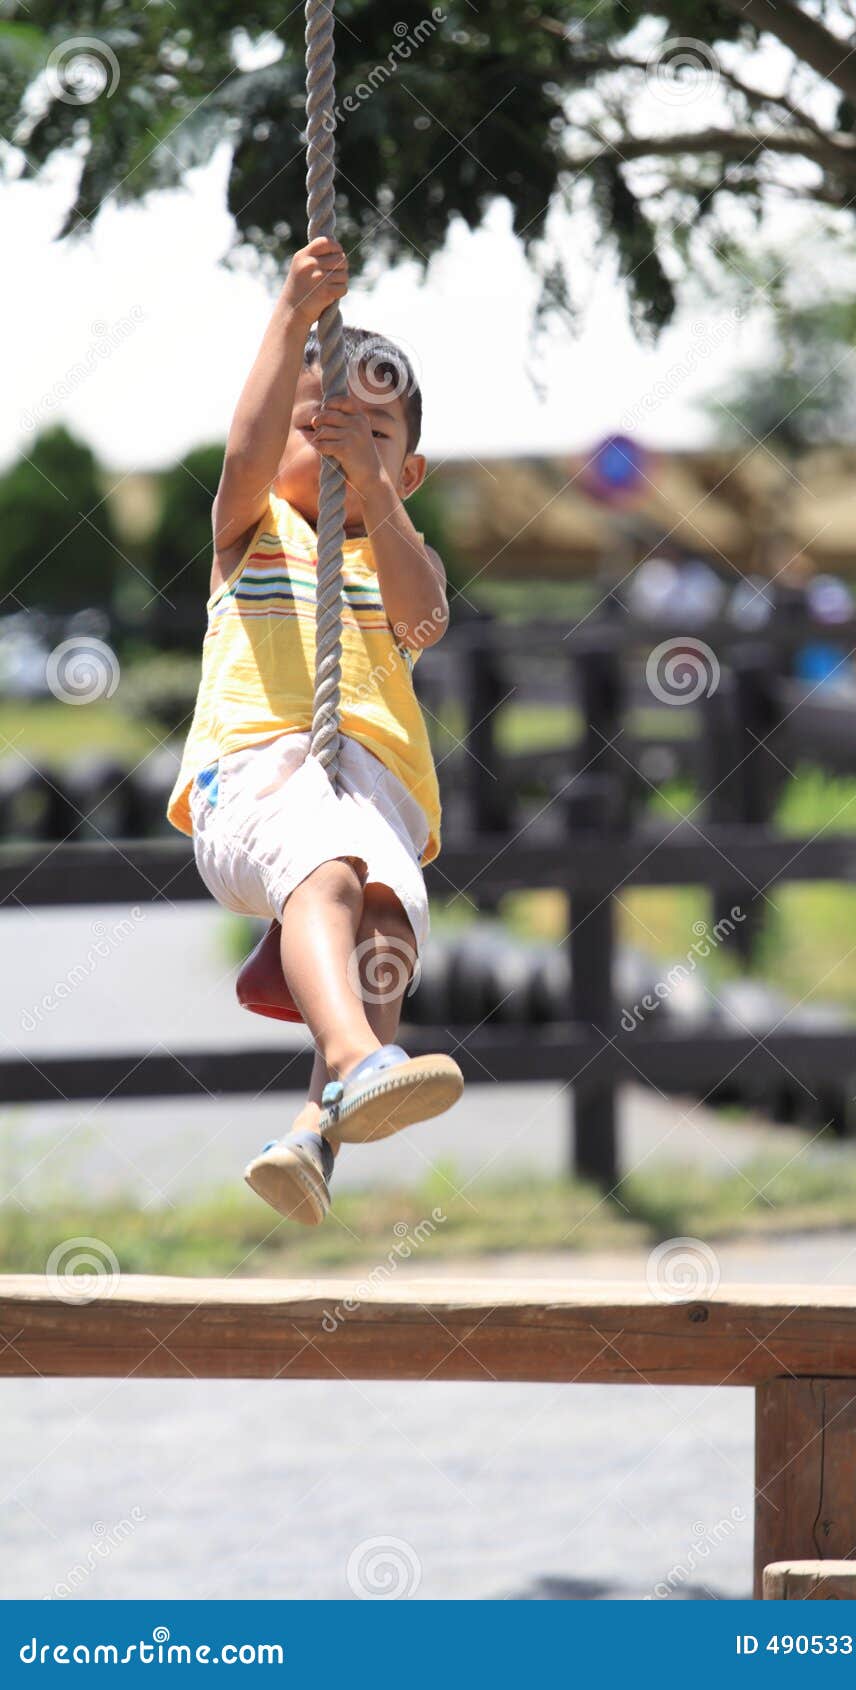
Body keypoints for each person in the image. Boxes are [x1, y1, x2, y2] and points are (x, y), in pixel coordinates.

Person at [166, 237, 463, 1227]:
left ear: (409, 467)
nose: (339, 442)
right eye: (317, 424)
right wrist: (293, 313)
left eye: (372, 431)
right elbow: (246, 448)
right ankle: (352, 1056)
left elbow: (425, 621)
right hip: (253, 777)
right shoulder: (254, 534)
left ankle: (310, 1134)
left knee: (385, 925)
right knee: (328, 872)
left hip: (363, 793)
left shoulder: (392, 558)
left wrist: (371, 496)